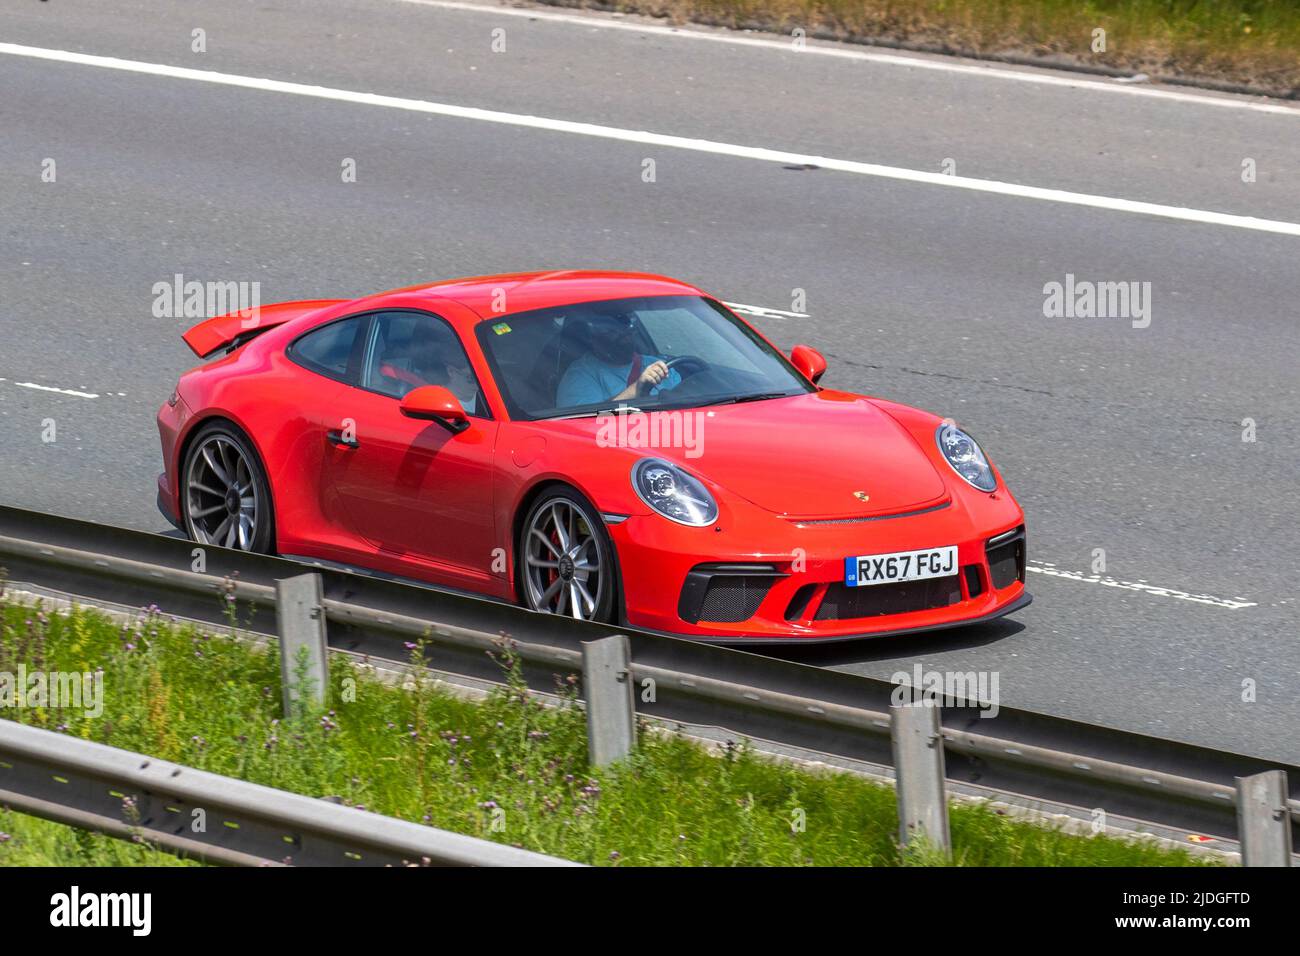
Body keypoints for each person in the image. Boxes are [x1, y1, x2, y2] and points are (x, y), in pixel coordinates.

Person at [556, 311, 681, 408]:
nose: (622, 337)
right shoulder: (580, 375)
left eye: (625, 331)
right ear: (594, 340)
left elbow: (686, 401)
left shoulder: (659, 366)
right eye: (612, 333)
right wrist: (636, 389)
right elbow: (583, 424)